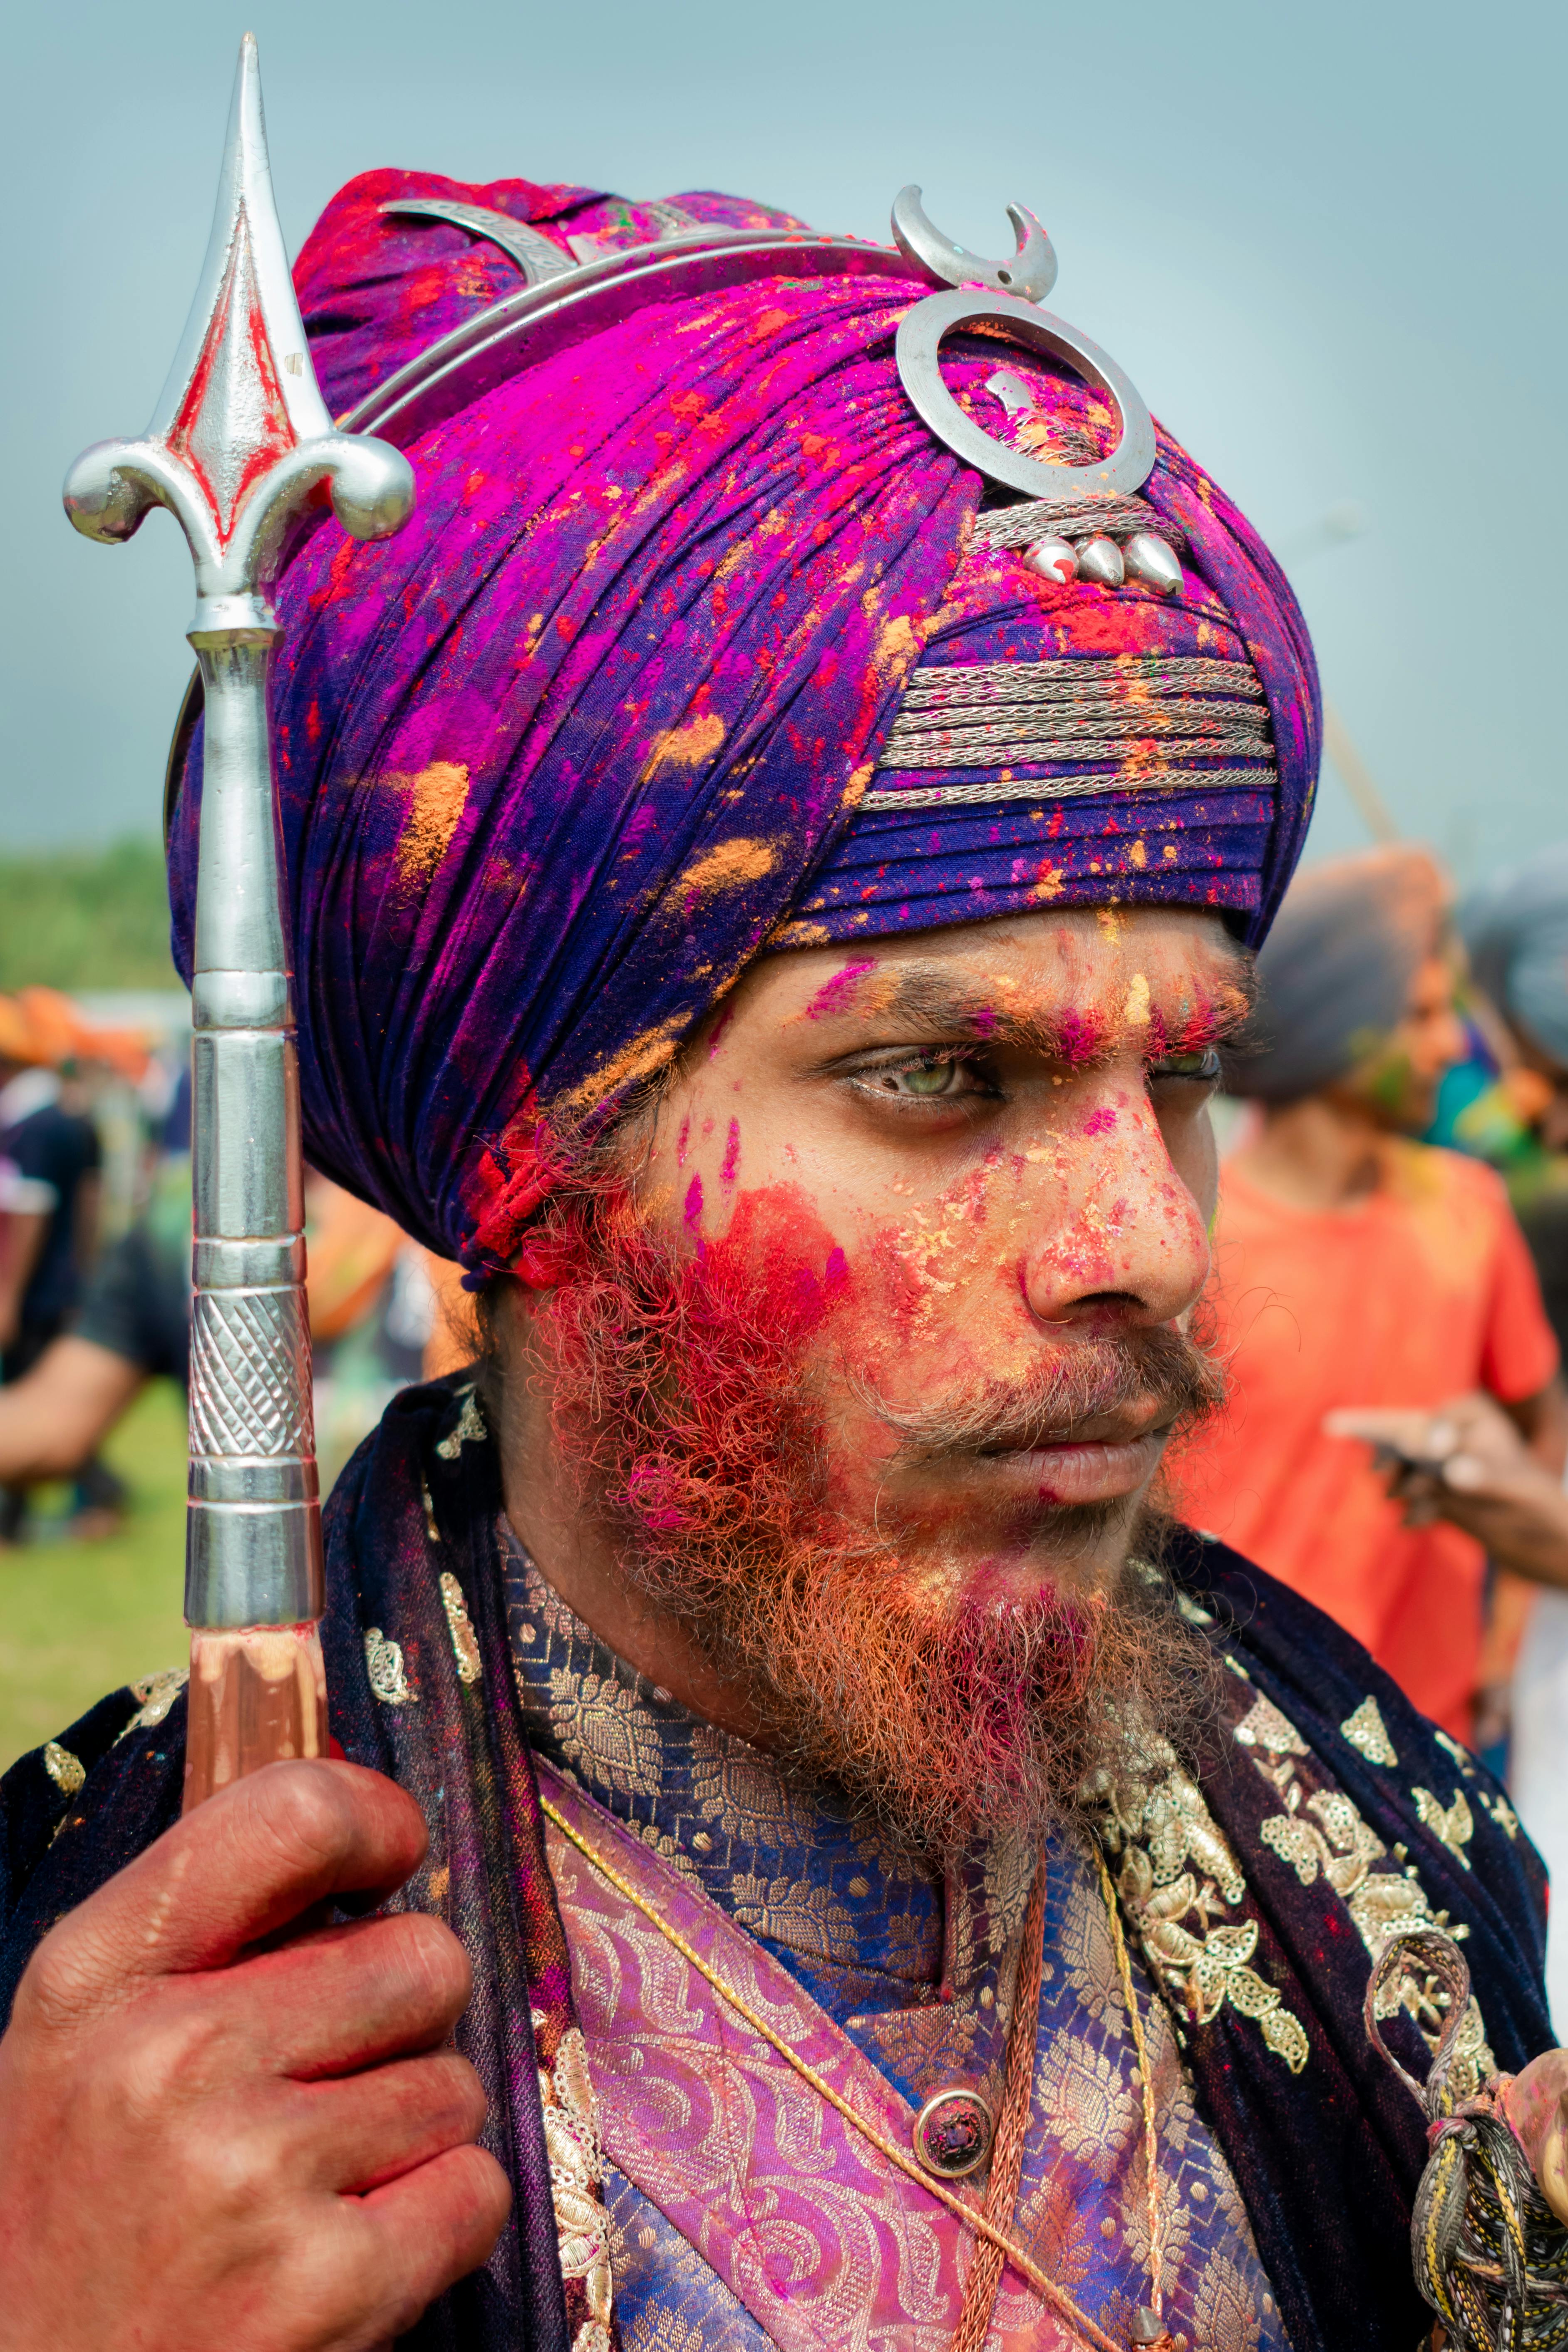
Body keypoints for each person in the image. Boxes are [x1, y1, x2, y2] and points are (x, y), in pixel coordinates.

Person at [0, 166, 1561, 2352]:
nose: (1146, 1243)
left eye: (1179, 1081)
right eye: (943, 1078)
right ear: (541, 1154)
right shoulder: (91, 2030)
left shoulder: (1358, 1799)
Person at [1174, 847, 1568, 1741]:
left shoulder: (1470, 1209)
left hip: (1438, 1729)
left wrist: (1507, 1633)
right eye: (1421, 1014)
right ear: (1331, 1024)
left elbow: (1542, 1428)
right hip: (1251, 1735)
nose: (1451, 1046)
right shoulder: (1192, 1247)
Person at [0, 998, 104, 1542]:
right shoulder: (70, 1118)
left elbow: (30, 1217)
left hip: (37, 1290)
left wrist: (8, 1296)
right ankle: (18, 1516)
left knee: (32, 1398)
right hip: (65, 1281)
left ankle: (98, 1496)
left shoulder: (32, 1129)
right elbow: (91, 1202)